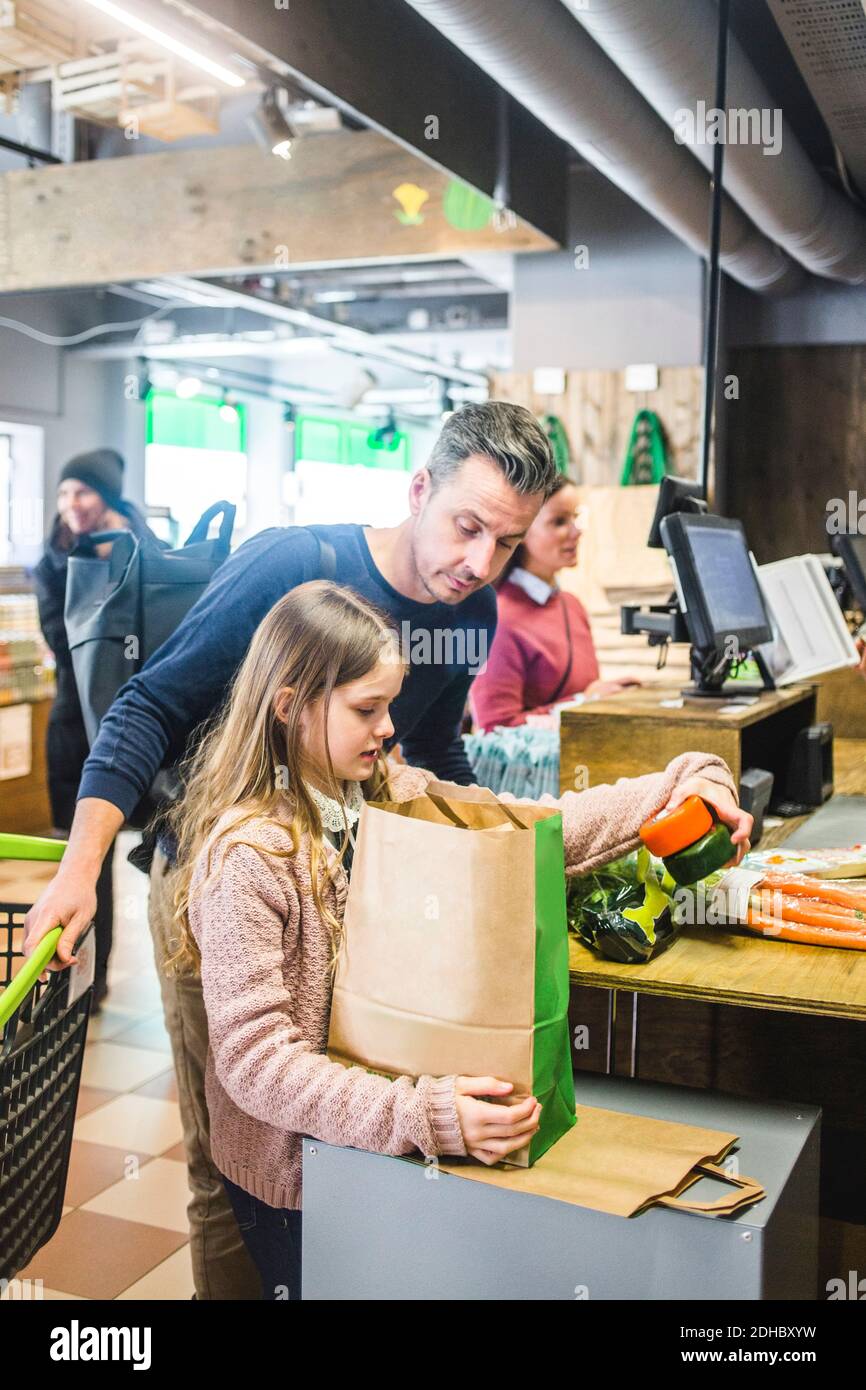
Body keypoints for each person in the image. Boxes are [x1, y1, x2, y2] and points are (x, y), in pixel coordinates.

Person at [23, 401, 750, 1299]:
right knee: (236, 1151)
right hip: (223, 863)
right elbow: (147, 708)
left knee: (337, 1111)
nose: (479, 563)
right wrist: (78, 869)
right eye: (467, 526)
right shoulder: (296, 568)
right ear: (419, 490)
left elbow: (442, 768)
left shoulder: (470, 608)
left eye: (506, 542)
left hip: (347, 857)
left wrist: (662, 787)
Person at [167, 580, 752, 1300]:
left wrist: (687, 778)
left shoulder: (387, 792)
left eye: (389, 705)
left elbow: (536, 830)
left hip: (384, 1148)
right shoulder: (249, 859)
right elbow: (256, 1064)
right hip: (296, 1180)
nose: (388, 727)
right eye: (365, 709)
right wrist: (423, 1114)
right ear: (289, 708)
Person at [32, 449, 146, 1011]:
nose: (71, 504)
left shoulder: (141, 548)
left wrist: (118, 552)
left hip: (132, 726)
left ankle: (96, 976)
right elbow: (67, 644)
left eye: (82, 491)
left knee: (135, 854)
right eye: (63, 493)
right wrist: (92, 561)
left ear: (107, 497)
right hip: (74, 729)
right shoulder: (53, 562)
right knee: (79, 859)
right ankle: (80, 980)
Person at [471, 474, 642, 731]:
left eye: (576, 517)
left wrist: (599, 696)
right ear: (521, 530)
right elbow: (495, 728)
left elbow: (584, 694)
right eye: (559, 521)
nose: (576, 531)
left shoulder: (572, 605)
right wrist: (585, 701)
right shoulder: (499, 617)